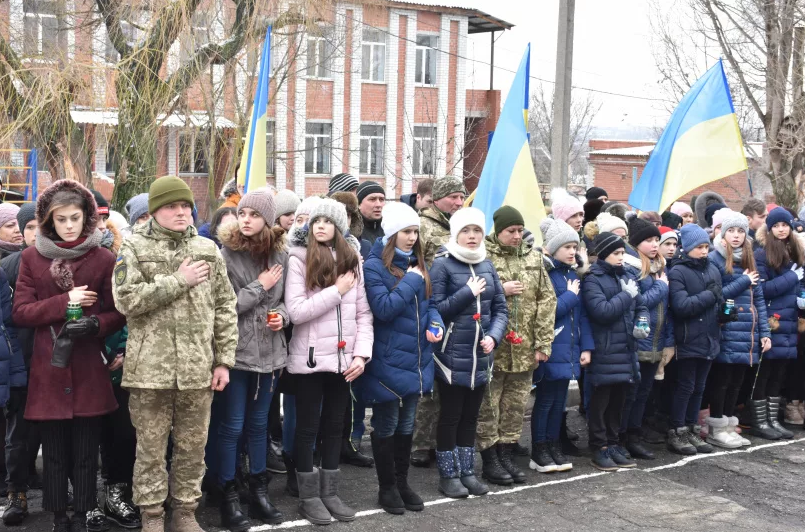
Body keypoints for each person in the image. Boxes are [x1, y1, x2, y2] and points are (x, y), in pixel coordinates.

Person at [113, 176, 238, 532]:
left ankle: (185, 512)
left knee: (192, 448)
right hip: (150, 372)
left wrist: (223, 360)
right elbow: (127, 300)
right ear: (155, 210)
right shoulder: (134, 246)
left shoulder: (207, 248)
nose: (181, 212)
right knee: (150, 450)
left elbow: (225, 307)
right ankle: (151, 516)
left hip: (198, 371)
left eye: (185, 206)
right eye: (172, 206)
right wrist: (178, 281)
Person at [13, 179, 125, 532]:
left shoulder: (104, 257)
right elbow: (21, 312)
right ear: (49, 221)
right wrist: (67, 302)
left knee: (86, 452)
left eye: (75, 217)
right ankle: (59, 518)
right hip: (50, 369)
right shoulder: (32, 257)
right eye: (61, 219)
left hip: (89, 368)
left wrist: (94, 326)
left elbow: (118, 312)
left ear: (87, 217)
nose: (69, 225)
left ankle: (83, 514)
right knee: (56, 453)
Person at [284, 198, 372, 525]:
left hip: (344, 361)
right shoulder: (297, 259)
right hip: (309, 361)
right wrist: (336, 290)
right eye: (316, 221)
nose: (320, 226)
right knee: (307, 429)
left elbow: (363, 314)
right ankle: (308, 497)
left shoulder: (353, 261)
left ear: (339, 226)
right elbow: (297, 311)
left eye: (328, 221)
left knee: (335, 427)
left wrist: (361, 355)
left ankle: (330, 492)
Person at [361, 201, 443, 514]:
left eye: (415, 231)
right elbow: (383, 309)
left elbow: (430, 304)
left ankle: (401, 481)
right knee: (387, 423)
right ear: (392, 232)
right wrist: (411, 280)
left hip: (416, 359)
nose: (412, 237)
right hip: (387, 359)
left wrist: (436, 323)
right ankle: (387, 488)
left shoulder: (418, 263)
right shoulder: (374, 266)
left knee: (407, 423)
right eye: (406, 231)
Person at [217, 188, 287, 529]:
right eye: (243, 213)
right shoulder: (225, 255)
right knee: (232, 426)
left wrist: (282, 317)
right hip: (237, 353)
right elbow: (223, 308)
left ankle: (259, 492)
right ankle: (228, 496)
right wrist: (258, 286)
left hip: (272, 355)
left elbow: (287, 301)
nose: (246, 220)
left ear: (268, 221)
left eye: (254, 215)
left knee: (259, 426)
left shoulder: (280, 256)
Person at [430, 207, 508, 498]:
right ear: (455, 234)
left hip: (481, 357)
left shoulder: (487, 264)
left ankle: (467, 471)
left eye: (476, 231)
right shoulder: (442, 264)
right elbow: (435, 311)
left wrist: (494, 337)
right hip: (451, 356)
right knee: (450, 416)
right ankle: (448, 475)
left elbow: (500, 308)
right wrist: (467, 292)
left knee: (471, 417)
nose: (472, 236)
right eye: (466, 231)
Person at [478, 206, 556, 484]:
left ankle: (507, 454)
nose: (516, 235)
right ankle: (490, 459)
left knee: (515, 405)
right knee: (489, 405)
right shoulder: (483, 257)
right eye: (511, 231)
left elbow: (547, 301)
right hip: (494, 347)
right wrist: (501, 287)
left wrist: (543, 343)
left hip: (524, 349)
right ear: (498, 231)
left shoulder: (533, 257)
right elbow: (470, 293)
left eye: (520, 230)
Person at [411, 176, 467, 468]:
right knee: (428, 385)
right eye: (454, 197)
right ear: (437, 198)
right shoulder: (422, 226)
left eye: (462, 198)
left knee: (449, 381)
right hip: (429, 310)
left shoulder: (457, 227)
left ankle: (440, 440)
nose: (459, 203)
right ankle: (420, 444)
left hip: (457, 312)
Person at [531, 219, 592, 474]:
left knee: (559, 403)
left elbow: (583, 317)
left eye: (574, 246)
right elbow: (545, 312)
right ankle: (539, 449)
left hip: (568, 350)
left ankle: (554, 445)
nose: (571, 251)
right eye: (566, 246)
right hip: (550, 347)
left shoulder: (572, 275)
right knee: (545, 401)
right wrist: (568, 296)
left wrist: (586, 348)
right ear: (552, 249)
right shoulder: (546, 275)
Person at [582, 232, 647, 471]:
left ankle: (613, 442)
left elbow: (640, 305)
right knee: (601, 402)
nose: (621, 258)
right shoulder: (592, 279)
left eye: (622, 253)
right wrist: (625, 295)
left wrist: (643, 321)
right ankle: (598, 447)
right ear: (604, 254)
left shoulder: (627, 276)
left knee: (620, 400)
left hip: (627, 349)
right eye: (616, 253)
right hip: (605, 350)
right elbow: (602, 311)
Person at [707, 210, 771, 448]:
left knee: (737, 381)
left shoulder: (749, 258)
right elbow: (716, 295)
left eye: (740, 231)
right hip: (727, 329)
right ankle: (716, 428)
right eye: (731, 231)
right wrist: (743, 281)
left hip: (748, 333)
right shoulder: (715, 259)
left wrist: (765, 333)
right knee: (721, 380)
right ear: (723, 234)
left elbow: (759, 301)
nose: (736, 236)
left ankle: (729, 425)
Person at [667, 224, 722, 455]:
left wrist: (725, 313)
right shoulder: (678, 271)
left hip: (710, 337)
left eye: (706, 247)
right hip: (689, 338)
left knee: (699, 387)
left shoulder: (712, 269)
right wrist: (710, 295)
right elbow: (681, 306)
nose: (703, 251)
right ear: (687, 247)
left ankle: (691, 428)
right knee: (686, 386)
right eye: (699, 247)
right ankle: (677, 430)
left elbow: (717, 298)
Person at [618, 218, 670, 461]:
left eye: (656, 240)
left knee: (644, 393)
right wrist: (660, 287)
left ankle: (634, 435)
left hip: (656, 340)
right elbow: (636, 301)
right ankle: (622, 438)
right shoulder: (631, 267)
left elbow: (665, 309)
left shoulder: (659, 266)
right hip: (638, 340)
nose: (654, 245)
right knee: (631, 394)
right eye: (649, 240)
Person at [751, 207, 804, 440]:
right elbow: (762, 289)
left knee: (779, 373)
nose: (781, 229)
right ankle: (760, 422)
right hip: (771, 320)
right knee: (765, 372)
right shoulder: (762, 254)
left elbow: (800, 281)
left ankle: (773, 419)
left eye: (785, 225)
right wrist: (791, 277)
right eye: (776, 226)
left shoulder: (796, 251)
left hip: (791, 319)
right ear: (770, 229)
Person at [357, 181, 385, 245]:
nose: (378, 205)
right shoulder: (352, 233)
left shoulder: (390, 230)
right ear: (359, 204)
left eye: (381, 199)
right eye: (372, 199)